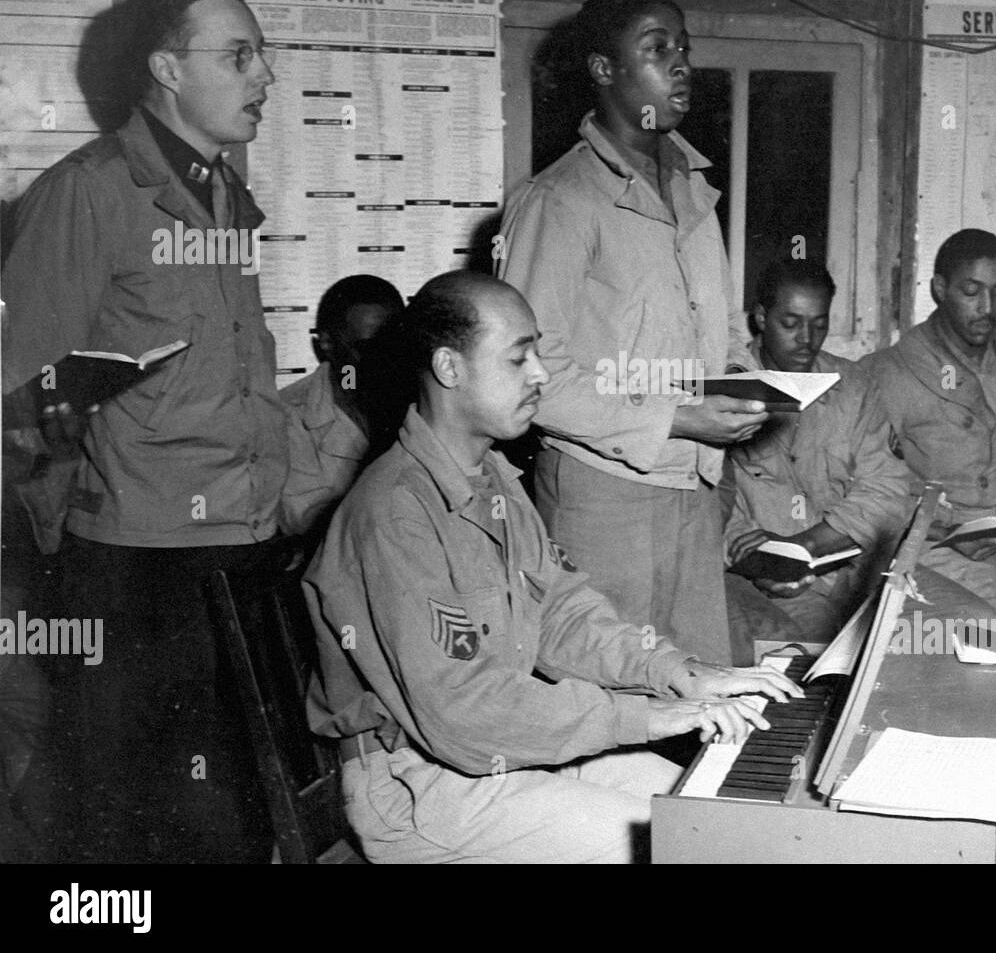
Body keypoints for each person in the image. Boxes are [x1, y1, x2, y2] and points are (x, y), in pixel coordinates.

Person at [303, 271, 800, 863]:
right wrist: (651, 716)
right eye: (519, 359)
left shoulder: (490, 480)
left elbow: (561, 615)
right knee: (683, 849)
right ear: (449, 368)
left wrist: (682, 674)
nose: (541, 372)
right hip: (419, 786)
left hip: (492, 755)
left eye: (538, 351)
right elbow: (465, 715)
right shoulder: (394, 513)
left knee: (727, 828)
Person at [0, 0, 284, 862]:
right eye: (238, 56)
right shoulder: (86, 193)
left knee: (239, 806)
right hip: (133, 574)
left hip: (240, 545)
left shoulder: (220, 192)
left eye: (261, 56)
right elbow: (14, 399)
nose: (263, 76)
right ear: (166, 69)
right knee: (132, 817)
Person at [498, 0, 766, 664]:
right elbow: (529, 379)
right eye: (656, 48)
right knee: (606, 702)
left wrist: (741, 380)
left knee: (697, 698)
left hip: (696, 490)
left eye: (683, 46)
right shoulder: (560, 201)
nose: (680, 64)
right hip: (603, 503)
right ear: (604, 70)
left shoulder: (694, 190)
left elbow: (724, 331)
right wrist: (676, 418)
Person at [860, 228, 996, 622]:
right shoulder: (888, 372)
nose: (987, 307)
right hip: (941, 550)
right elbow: (873, 488)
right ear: (940, 288)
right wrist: (949, 532)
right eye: (971, 291)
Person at [722, 260, 911, 662]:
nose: (807, 340)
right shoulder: (725, 393)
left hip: (866, 572)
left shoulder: (853, 386)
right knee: (825, 667)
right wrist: (762, 562)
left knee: (960, 641)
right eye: (790, 323)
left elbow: (890, 494)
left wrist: (800, 547)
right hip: (782, 592)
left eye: (819, 324)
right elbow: (714, 509)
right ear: (760, 317)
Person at [279, 274, 404, 540]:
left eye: (391, 347)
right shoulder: (285, 419)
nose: (380, 361)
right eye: (365, 348)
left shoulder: (420, 406)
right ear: (327, 344)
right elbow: (306, 527)